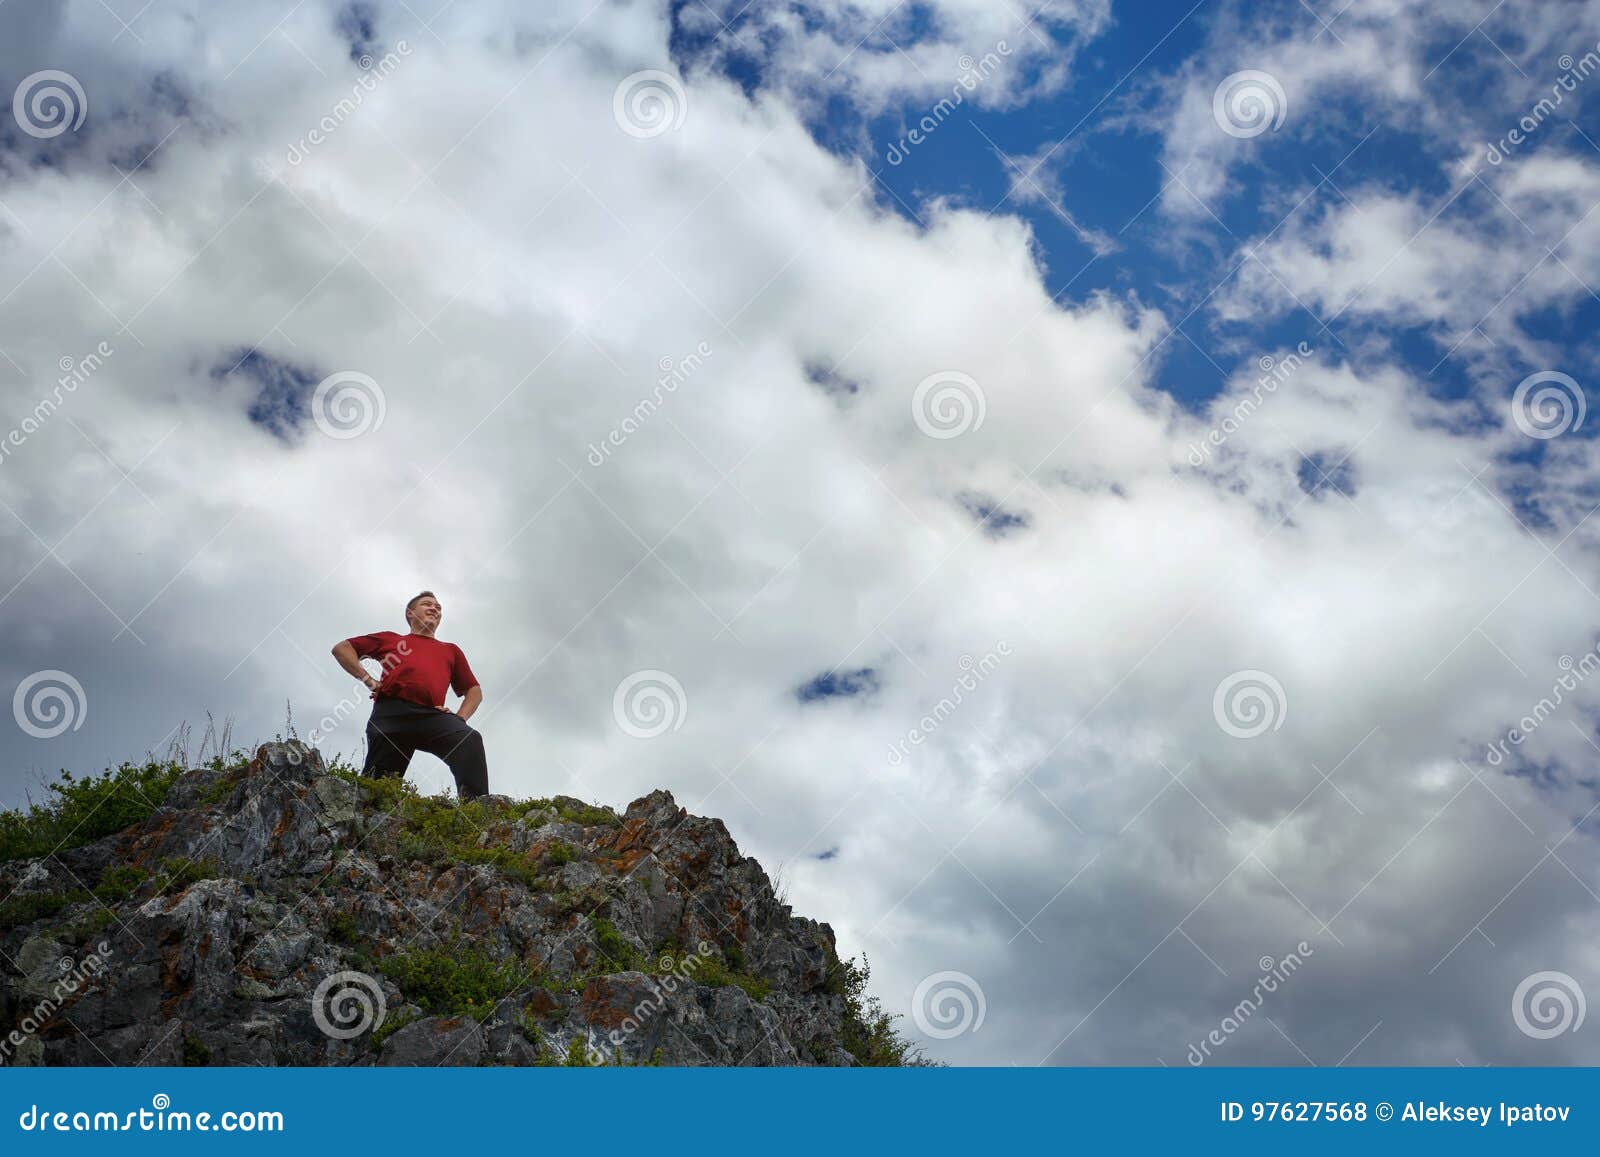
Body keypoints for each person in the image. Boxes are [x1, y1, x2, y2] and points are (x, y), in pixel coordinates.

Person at [331, 590, 488, 799]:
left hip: (430, 716)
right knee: (377, 792)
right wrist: (369, 680)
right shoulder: (390, 639)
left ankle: (478, 811)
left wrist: (459, 719)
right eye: (427, 604)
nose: (434, 608)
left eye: (438, 607)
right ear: (410, 613)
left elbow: (474, 691)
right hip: (391, 713)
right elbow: (342, 649)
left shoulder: (450, 650)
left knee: (469, 739)